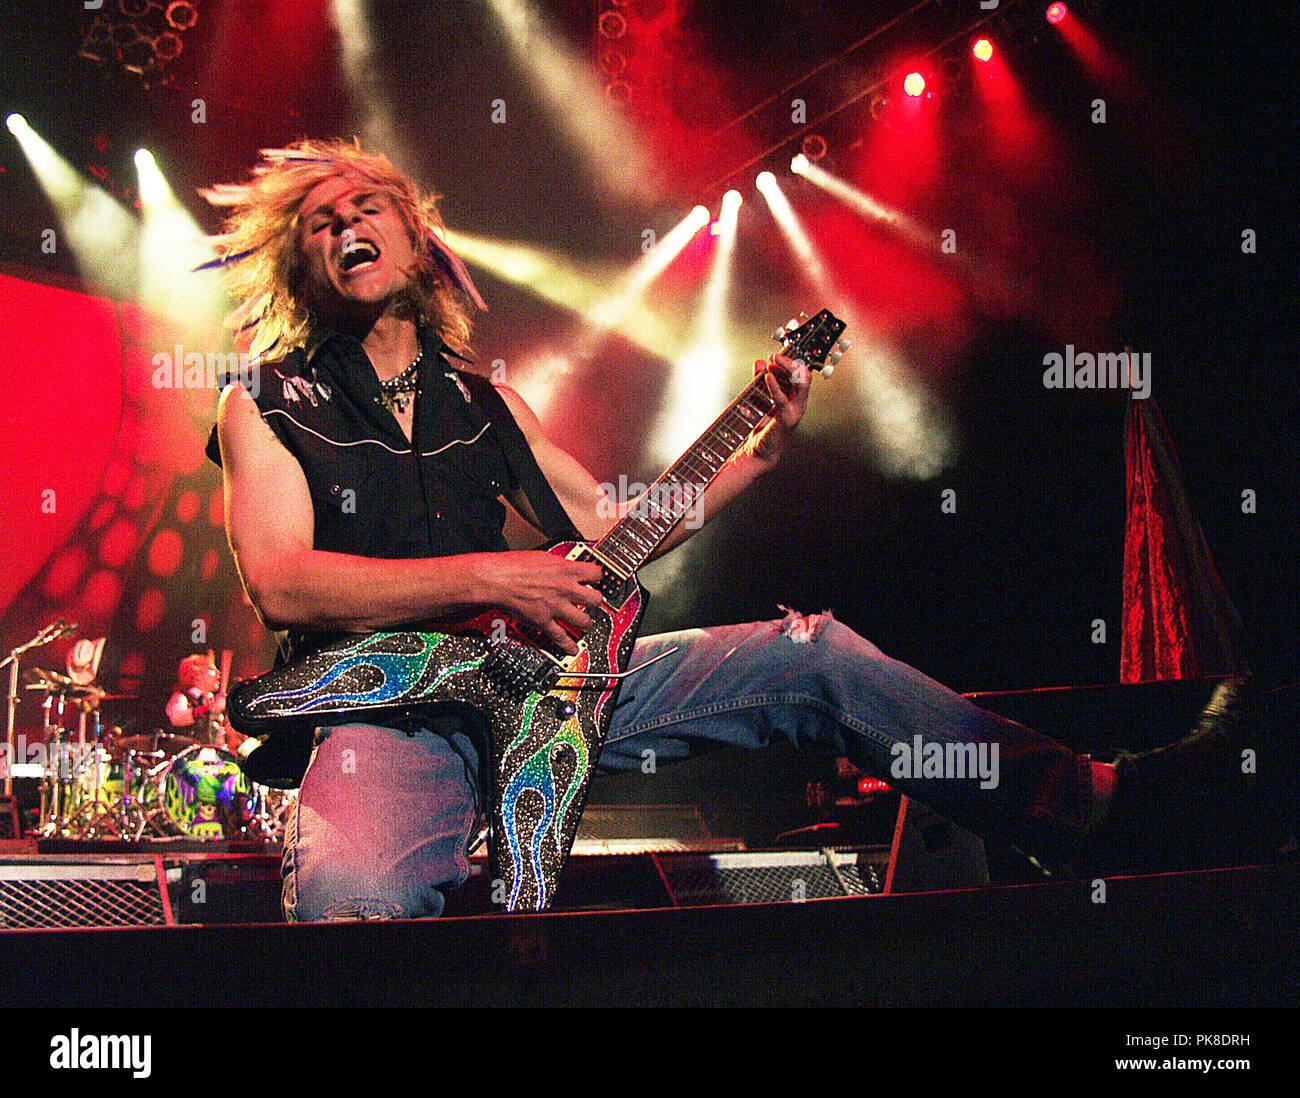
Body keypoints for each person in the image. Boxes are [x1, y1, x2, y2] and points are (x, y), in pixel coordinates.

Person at [201, 139, 1263, 923]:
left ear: (414, 237)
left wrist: (760, 446)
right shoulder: (265, 402)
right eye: (318, 219)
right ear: (296, 264)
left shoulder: (487, 404)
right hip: (389, 714)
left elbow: (615, 531)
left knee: (814, 657)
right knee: (353, 902)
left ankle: (1095, 804)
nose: (347, 224)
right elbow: (283, 583)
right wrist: (503, 574)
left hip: (543, 688)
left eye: (368, 203)